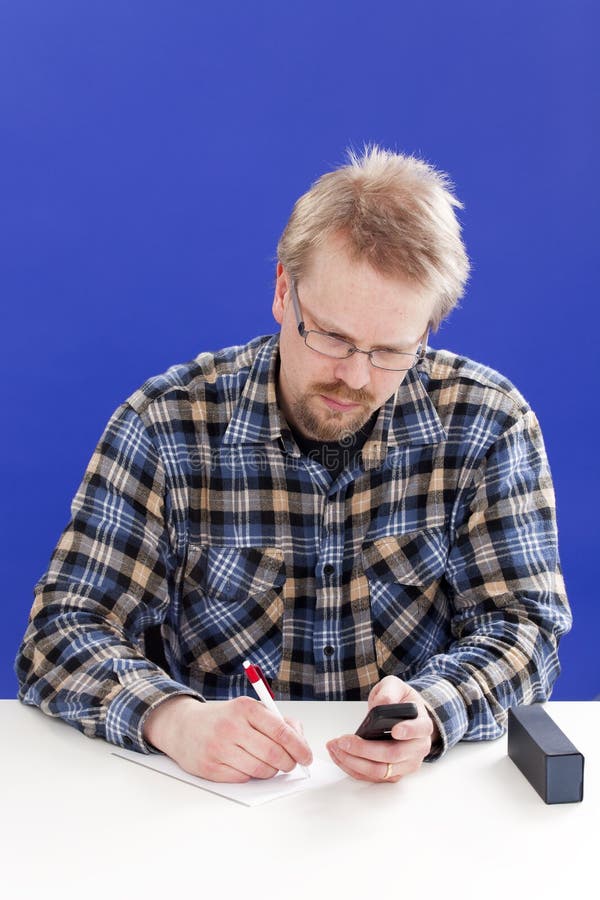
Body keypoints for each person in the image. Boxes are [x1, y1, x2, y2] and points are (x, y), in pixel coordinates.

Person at [15, 146, 572, 785]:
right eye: (332, 337)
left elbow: (525, 629)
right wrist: (173, 719)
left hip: (413, 805)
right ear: (284, 292)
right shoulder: (168, 425)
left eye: (391, 351)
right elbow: (60, 632)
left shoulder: (487, 423)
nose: (356, 378)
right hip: (209, 804)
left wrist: (433, 711)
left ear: (427, 332)